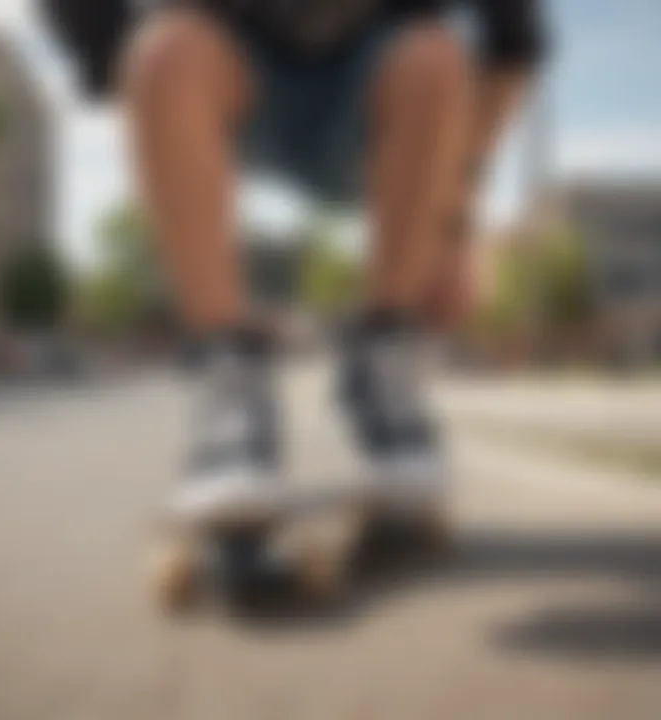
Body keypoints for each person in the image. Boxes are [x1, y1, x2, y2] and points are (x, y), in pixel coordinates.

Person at [43, 0, 547, 525]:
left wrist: (452, 225)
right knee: (163, 52)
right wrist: (149, 126)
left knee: (436, 58)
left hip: (381, 97)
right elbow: (100, 39)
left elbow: (512, 44)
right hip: (233, 72)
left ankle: (382, 357)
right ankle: (229, 374)